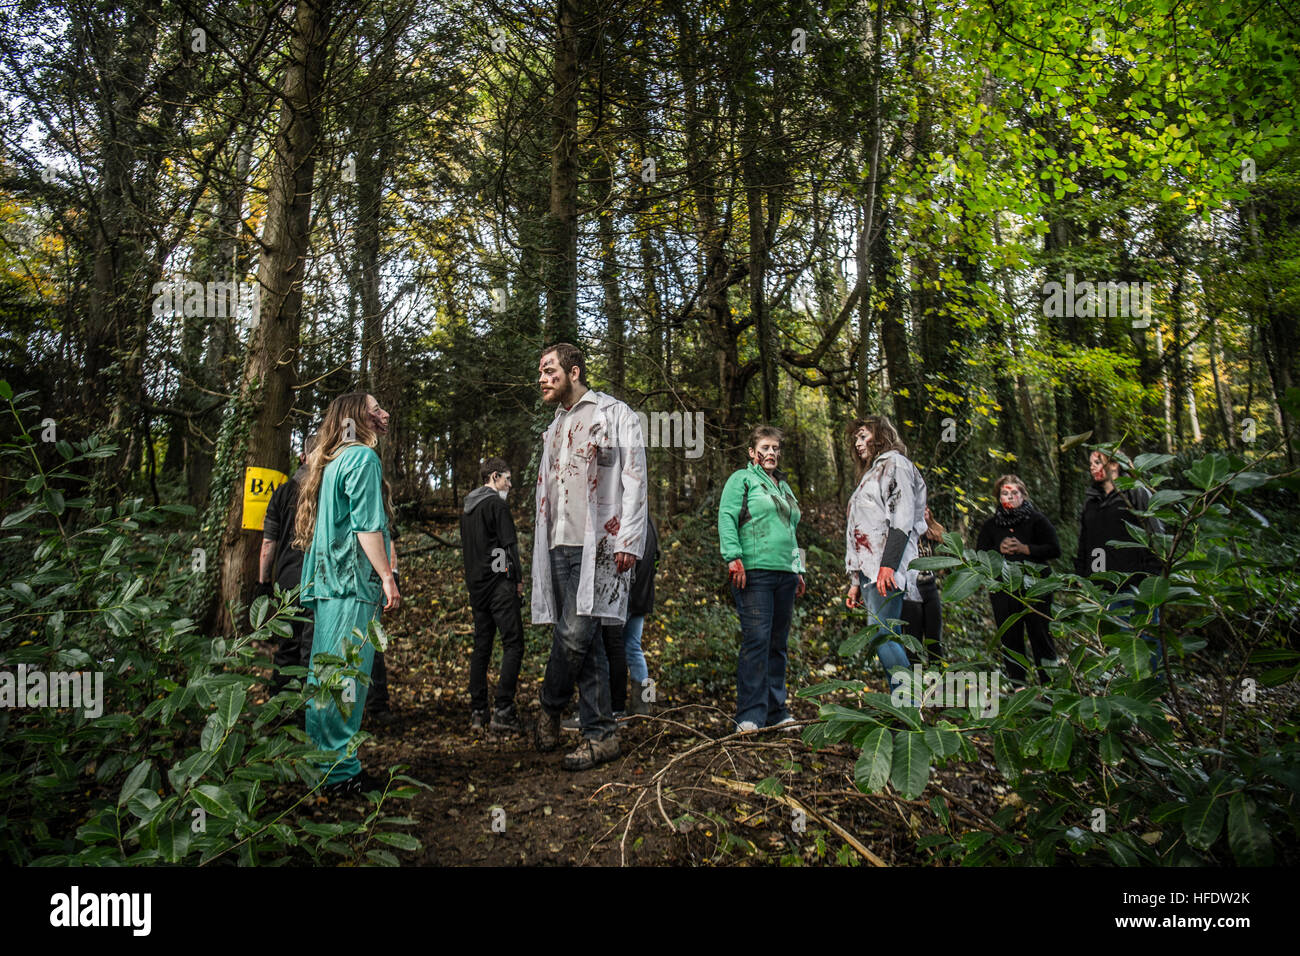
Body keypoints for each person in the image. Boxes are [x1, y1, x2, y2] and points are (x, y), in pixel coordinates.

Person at [532, 343, 648, 771]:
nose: (542, 379)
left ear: (574, 371)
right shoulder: (555, 426)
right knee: (591, 640)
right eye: (541, 372)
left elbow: (635, 477)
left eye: (549, 371)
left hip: (597, 545)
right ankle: (601, 734)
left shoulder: (615, 414)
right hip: (559, 544)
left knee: (575, 635)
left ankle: (549, 704)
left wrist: (629, 541)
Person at [294, 392, 400, 794]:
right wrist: (388, 577)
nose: (384, 413)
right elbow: (367, 526)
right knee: (344, 677)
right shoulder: (361, 458)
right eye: (376, 408)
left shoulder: (333, 460)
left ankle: (323, 767)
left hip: (327, 583)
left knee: (325, 675)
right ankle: (339, 776)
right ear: (357, 417)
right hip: (350, 582)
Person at [718, 425, 806, 732]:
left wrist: (800, 569)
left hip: (786, 574)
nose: (771, 453)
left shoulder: (784, 486)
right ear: (752, 452)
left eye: (775, 449)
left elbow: (793, 529)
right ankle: (750, 715)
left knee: (778, 643)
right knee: (757, 640)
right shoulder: (741, 480)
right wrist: (733, 557)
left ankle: (776, 712)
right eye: (765, 448)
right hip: (754, 572)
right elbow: (727, 517)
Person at [844, 416, 925, 695]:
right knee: (887, 636)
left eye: (863, 436)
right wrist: (855, 580)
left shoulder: (896, 464)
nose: (857, 443)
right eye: (855, 438)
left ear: (881, 436)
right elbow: (858, 530)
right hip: (870, 572)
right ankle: (905, 705)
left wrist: (888, 566)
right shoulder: (871, 473)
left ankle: (910, 705)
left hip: (887, 568)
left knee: (883, 637)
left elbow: (901, 519)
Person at [1074, 449, 1165, 673]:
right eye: (1091, 463)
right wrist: (1083, 577)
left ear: (1115, 464)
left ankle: (1154, 694)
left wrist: (1153, 576)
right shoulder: (1091, 500)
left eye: (1098, 462)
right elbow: (1086, 541)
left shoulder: (1136, 493)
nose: (1093, 467)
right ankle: (1127, 690)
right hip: (1105, 585)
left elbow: (1156, 533)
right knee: (1118, 641)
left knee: (1146, 638)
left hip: (1138, 583)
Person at [975, 475, 1062, 684]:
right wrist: (998, 550)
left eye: (1015, 493)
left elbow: (1054, 549)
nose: (1010, 497)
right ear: (998, 496)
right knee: (1010, 639)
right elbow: (980, 555)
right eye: (1005, 493)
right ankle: (1019, 686)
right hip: (1004, 591)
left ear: (1023, 495)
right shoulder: (991, 526)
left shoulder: (1037, 520)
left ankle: (1050, 686)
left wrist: (1026, 549)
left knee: (1041, 636)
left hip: (1036, 589)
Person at [461, 457, 524, 733]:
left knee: (482, 646)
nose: (509, 485)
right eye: (507, 479)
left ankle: (478, 712)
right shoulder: (496, 504)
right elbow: (508, 545)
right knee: (514, 643)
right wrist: (516, 579)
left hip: (477, 586)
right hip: (498, 586)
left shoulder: (468, 507)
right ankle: (503, 710)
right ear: (494, 477)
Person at [258, 434, 319, 696]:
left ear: (303, 457)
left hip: (286, 583)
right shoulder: (327, 489)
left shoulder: (281, 492)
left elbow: (268, 545)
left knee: (287, 647)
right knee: (310, 649)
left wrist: (263, 584)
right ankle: (301, 715)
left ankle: (279, 709)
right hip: (315, 581)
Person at [604, 514, 660, 718]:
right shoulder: (649, 523)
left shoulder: (632, 524)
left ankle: (617, 705)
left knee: (615, 648)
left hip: (629, 596)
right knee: (634, 648)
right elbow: (656, 560)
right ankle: (645, 705)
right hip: (642, 596)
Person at [901, 506, 946, 663]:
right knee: (914, 641)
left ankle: (938, 681)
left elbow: (944, 538)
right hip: (912, 590)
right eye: (921, 508)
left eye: (926, 508)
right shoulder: (905, 532)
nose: (925, 510)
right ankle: (916, 682)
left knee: (934, 639)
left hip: (930, 587)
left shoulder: (930, 533)